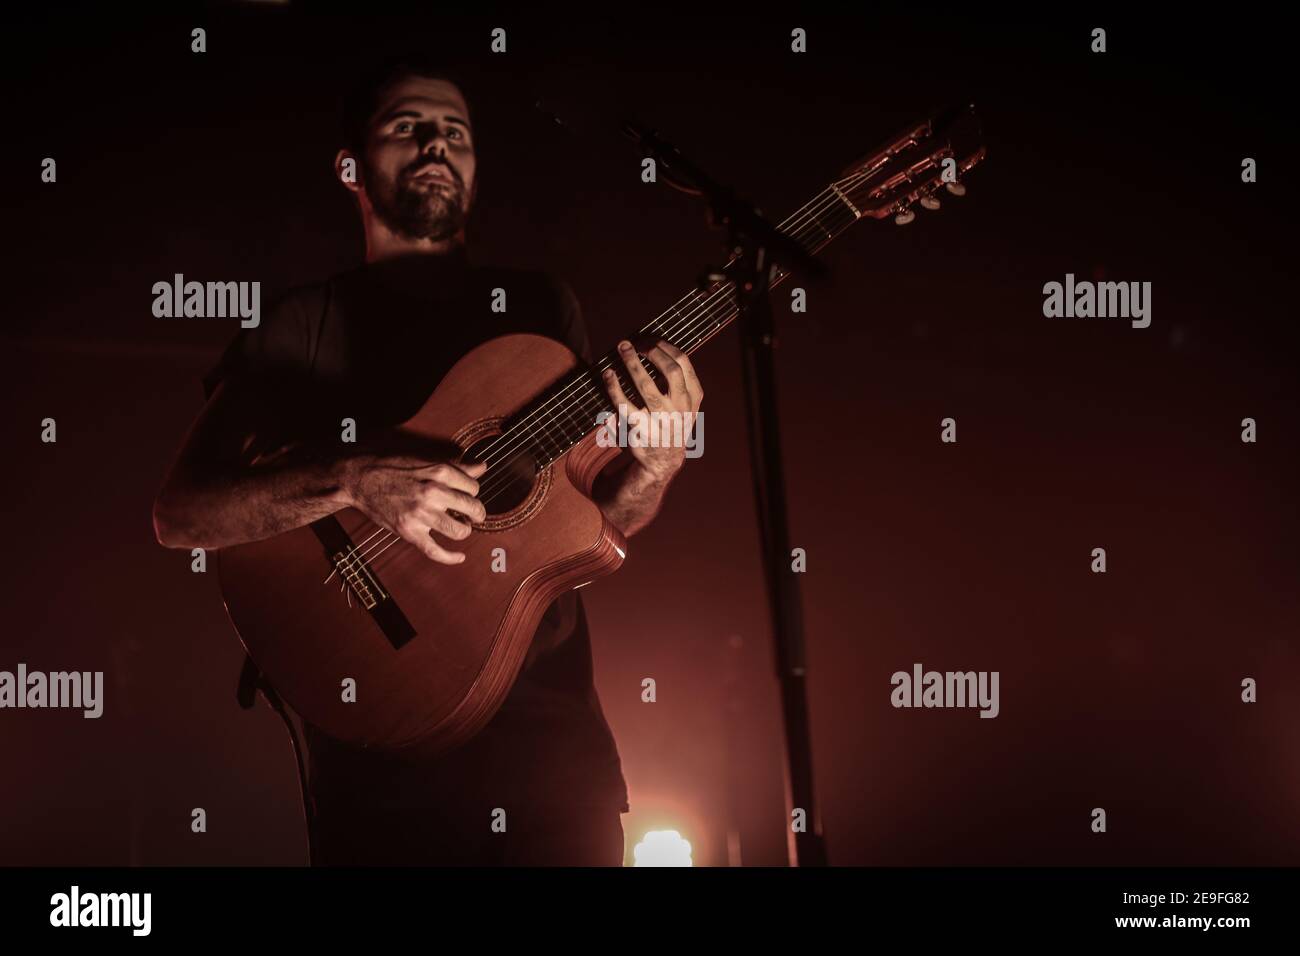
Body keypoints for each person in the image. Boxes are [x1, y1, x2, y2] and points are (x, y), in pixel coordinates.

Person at [151, 55, 704, 865]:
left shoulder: (540, 308)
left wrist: (655, 467)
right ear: (350, 166)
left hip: (552, 763)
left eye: (456, 133)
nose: (436, 147)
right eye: (407, 127)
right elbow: (181, 513)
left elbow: (588, 530)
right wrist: (352, 477)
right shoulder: (306, 322)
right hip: (379, 767)